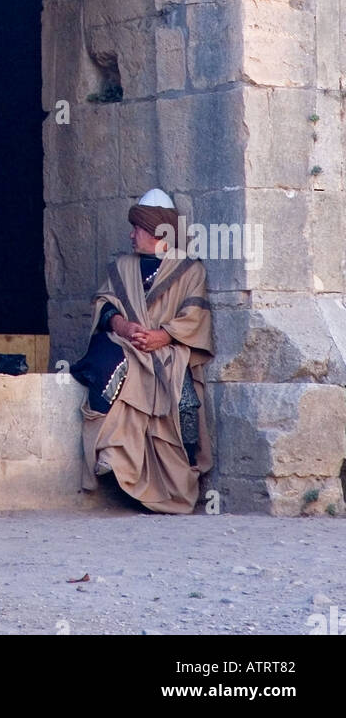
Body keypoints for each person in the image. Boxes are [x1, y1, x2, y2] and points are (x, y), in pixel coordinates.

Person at [70, 188, 213, 515]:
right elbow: (104, 305)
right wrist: (122, 326)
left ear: (157, 231)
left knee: (186, 402)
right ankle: (112, 456)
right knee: (110, 365)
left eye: (137, 228)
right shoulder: (121, 267)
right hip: (127, 346)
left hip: (170, 355)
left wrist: (163, 336)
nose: (131, 234)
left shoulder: (191, 270)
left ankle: (181, 482)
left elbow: (195, 318)